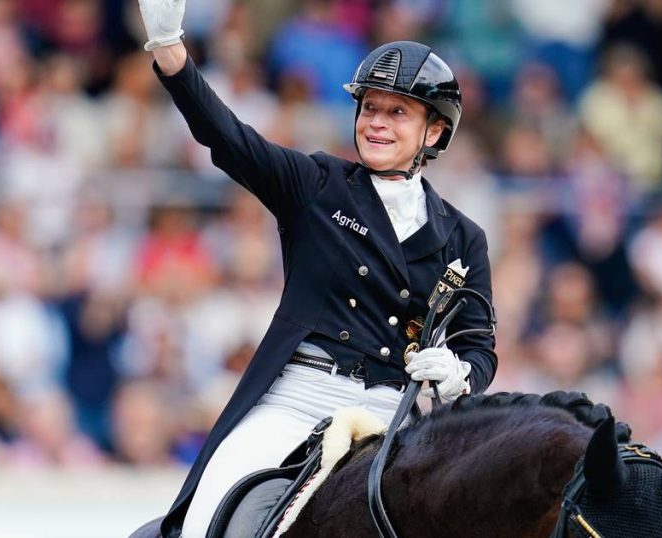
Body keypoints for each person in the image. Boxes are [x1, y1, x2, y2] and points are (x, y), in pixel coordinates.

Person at [135, 1, 498, 535]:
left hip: (393, 416)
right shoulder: (317, 186)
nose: (376, 123)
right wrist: (171, 53)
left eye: (397, 112)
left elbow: (479, 347)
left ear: (435, 133)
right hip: (297, 400)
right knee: (211, 512)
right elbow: (230, 139)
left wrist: (459, 375)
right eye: (370, 108)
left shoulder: (464, 237)